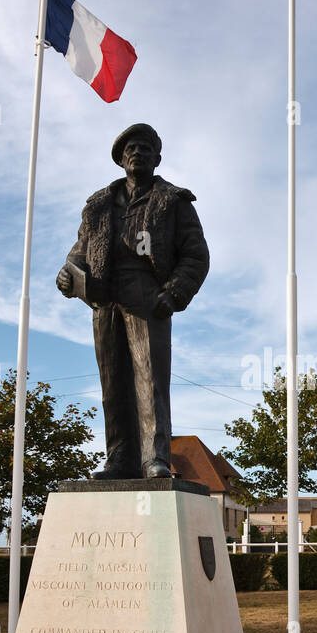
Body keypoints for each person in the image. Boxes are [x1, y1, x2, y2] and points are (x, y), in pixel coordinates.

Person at [56, 123, 209, 480]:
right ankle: (120, 459)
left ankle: (154, 459)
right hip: (103, 297)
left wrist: (173, 294)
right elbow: (80, 252)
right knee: (113, 383)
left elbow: (196, 256)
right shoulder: (98, 206)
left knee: (150, 379)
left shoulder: (173, 202)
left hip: (146, 294)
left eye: (144, 148)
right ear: (120, 160)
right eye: (130, 149)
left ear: (157, 158)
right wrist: (69, 272)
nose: (136, 153)